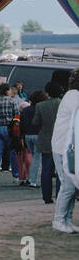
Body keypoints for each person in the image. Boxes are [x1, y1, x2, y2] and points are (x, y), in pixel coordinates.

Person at [49, 69, 79, 234]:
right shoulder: (73, 96)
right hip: (63, 147)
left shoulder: (72, 95)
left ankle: (66, 219)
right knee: (68, 185)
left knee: (72, 186)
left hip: (68, 147)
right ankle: (59, 220)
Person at [34, 81, 63, 204]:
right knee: (61, 171)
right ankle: (60, 195)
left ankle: (46, 197)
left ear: (47, 93)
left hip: (46, 140)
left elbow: (35, 123)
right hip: (62, 140)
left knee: (46, 170)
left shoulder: (40, 106)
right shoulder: (63, 105)